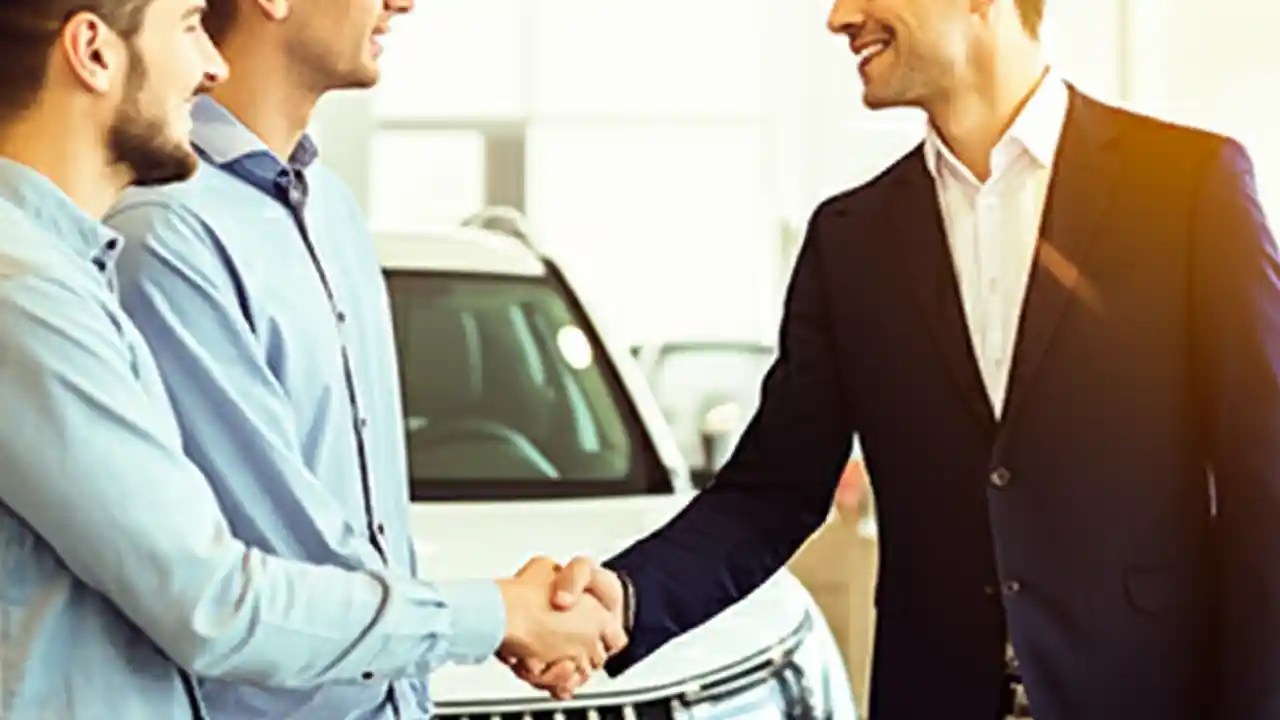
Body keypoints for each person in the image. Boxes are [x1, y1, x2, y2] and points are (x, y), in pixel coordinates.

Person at [538, 0, 1280, 717]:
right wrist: (625, 597)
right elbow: (772, 491)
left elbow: (1265, 485)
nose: (838, 17)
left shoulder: (1186, 188)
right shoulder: (850, 240)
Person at [0, 2, 622, 718]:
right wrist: (496, 614)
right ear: (94, 52)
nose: (213, 66)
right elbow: (212, 602)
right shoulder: (37, 291)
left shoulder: (71, 273)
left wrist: (495, 617)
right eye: (189, 23)